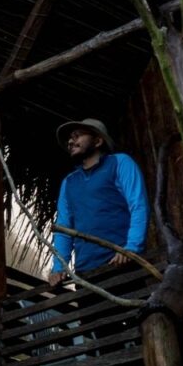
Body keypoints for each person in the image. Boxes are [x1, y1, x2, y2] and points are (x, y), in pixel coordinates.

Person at [46, 118, 148, 286]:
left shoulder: (120, 163)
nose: (71, 141)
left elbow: (138, 206)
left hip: (120, 264)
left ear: (98, 141)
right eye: (70, 138)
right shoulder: (69, 182)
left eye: (78, 136)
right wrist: (59, 267)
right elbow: (64, 228)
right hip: (85, 274)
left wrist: (131, 249)